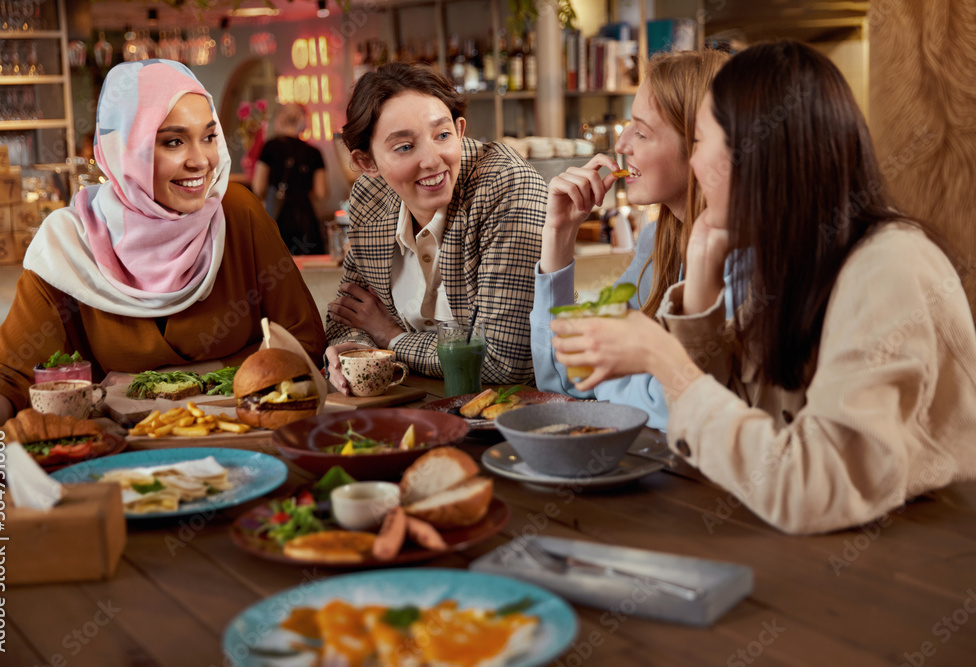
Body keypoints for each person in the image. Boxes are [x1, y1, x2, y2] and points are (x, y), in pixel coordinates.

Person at [551, 40, 976, 534]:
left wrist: (664, 361)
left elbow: (811, 489)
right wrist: (702, 282)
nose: (691, 165)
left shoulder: (888, 267)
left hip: (921, 556)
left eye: (700, 142)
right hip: (823, 540)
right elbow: (746, 425)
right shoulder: (791, 257)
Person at [0, 60, 326, 436]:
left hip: (244, 439)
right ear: (124, 148)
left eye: (208, 137)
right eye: (173, 141)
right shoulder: (67, 244)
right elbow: (9, 373)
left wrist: (171, 385)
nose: (201, 161)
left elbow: (303, 338)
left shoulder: (237, 214)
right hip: (114, 459)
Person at [531, 50, 731, 431]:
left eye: (641, 131)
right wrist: (559, 235)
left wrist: (614, 375)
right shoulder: (660, 239)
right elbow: (561, 378)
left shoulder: (744, 253)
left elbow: (674, 408)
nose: (621, 144)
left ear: (700, 144)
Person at [325, 62, 547, 393]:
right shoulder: (369, 197)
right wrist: (353, 349)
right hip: (410, 402)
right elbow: (347, 318)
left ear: (459, 130)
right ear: (366, 163)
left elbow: (504, 361)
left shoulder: (507, 188)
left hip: (514, 414)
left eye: (442, 135)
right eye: (405, 146)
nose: (431, 160)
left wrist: (390, 337)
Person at [252, 104, 329, 255]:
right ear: (304, 122)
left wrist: (266, 200)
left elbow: (258, 186)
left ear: (280, 120)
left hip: (278, 217)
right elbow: (322, 193)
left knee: (275, 262)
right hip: (306, 219)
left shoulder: (270, 147)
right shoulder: (314, 153)